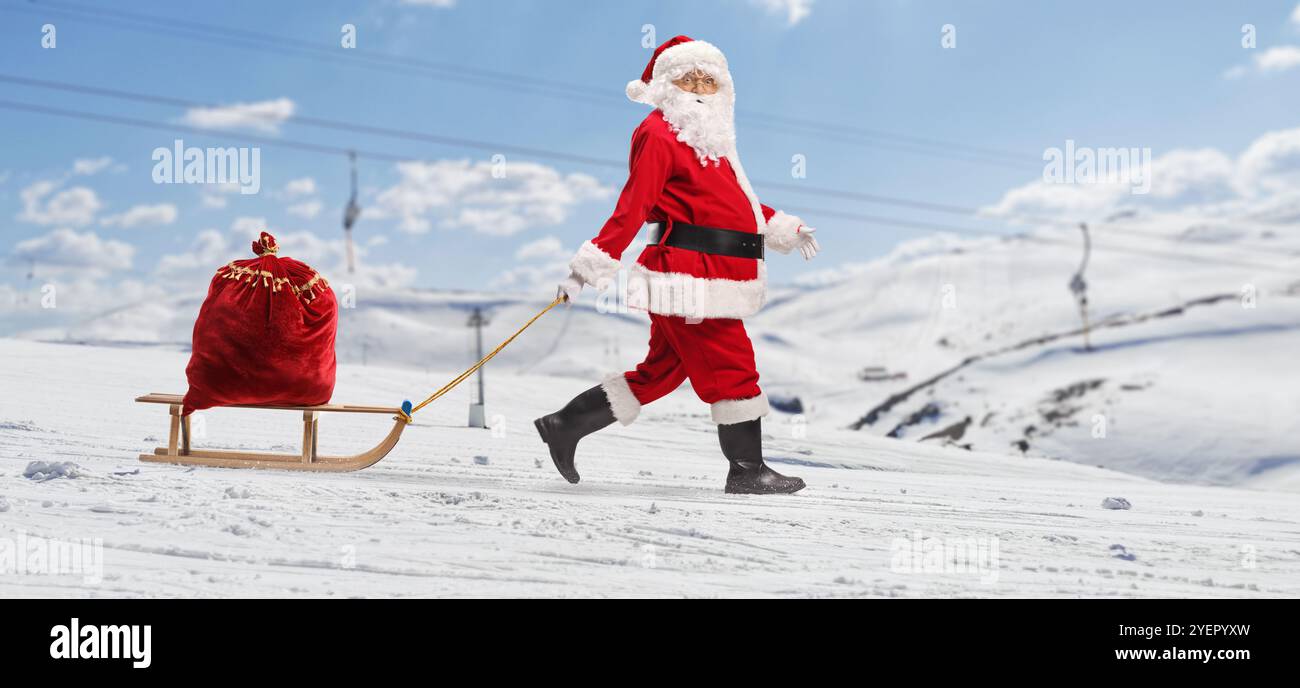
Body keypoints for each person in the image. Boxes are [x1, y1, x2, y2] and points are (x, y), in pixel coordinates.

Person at [534, 36, 821, 495]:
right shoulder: (659, 133)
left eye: (709, 78)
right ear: (667, 83)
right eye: (689, 77)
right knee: (733, 366)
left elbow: (731, 205)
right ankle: (747, 470)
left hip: (709, 275)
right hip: (690, 278)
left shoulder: (712, 140)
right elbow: (633, 206)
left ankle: (564, 424)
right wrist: (586, 270)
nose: (700, 86)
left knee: (661, 372)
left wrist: (779, 224)